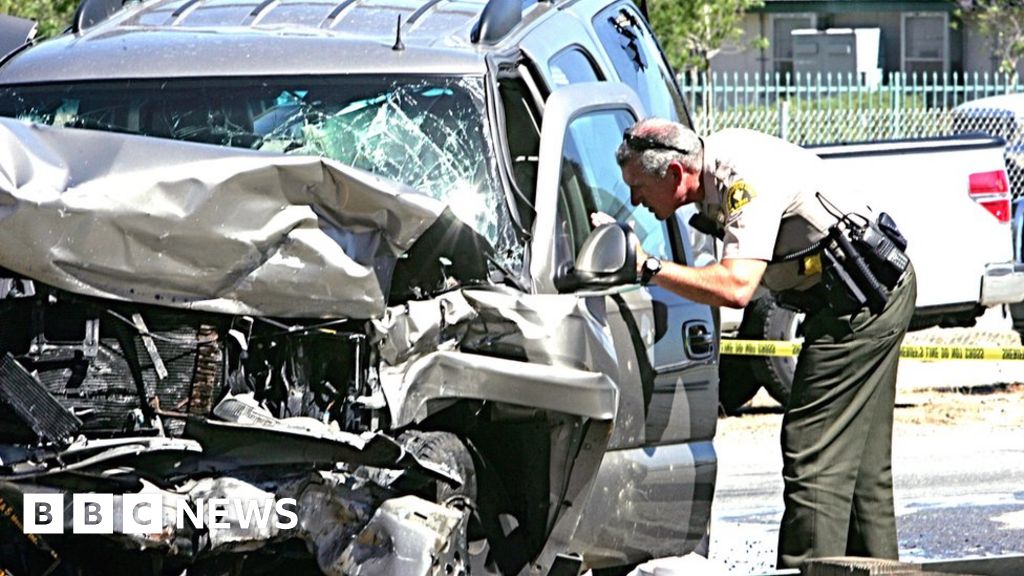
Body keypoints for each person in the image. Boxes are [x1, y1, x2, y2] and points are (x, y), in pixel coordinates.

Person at [614, 118, 917, 569]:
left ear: (676, 175)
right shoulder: (714, 167)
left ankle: (809, 568)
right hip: (860, 298)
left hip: (861, 301)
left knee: (812, 459)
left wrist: (649, 268)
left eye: (638, 187)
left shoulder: (741, 177)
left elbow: (737, 287)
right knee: (862, 471)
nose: (635, 200)